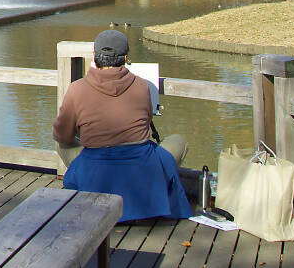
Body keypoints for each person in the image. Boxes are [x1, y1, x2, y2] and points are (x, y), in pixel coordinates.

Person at [52, 29, 191, 222]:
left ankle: (86, 182)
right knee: (179, 142)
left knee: (61, 143)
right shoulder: (142, 86)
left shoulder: (77, 88)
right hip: (140, 161)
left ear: (95, 57)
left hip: (97, 164)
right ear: (125, 58)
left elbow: (61, 135)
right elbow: (146, 122)